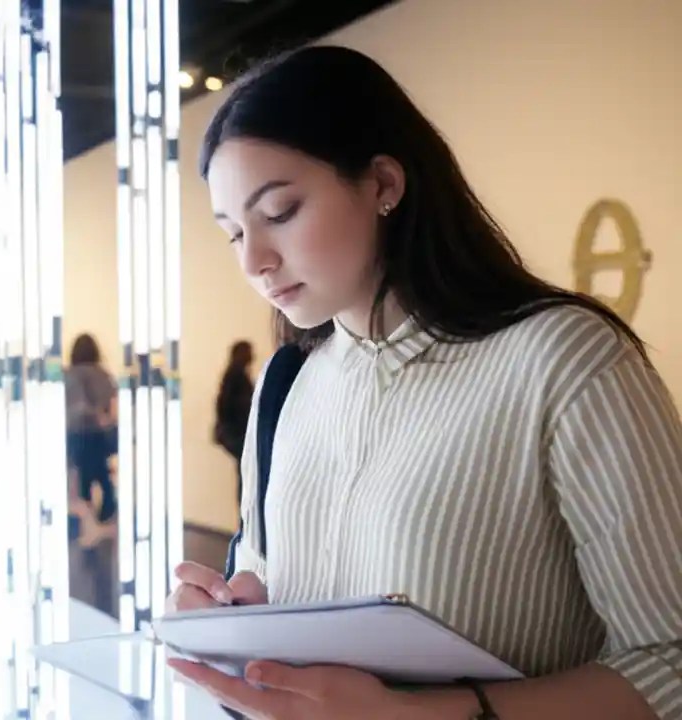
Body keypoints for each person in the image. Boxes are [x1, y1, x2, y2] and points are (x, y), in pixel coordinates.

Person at [165, 45, 681, 719]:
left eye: (281, 211)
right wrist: (230, 617)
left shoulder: (564, 360)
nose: (256, 262)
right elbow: (265, 571)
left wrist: (424, 715)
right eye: (234, 234)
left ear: (383, 183)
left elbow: (669, 659)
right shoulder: (285, 383)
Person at [65, 334, 118, 523]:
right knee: (99, 470)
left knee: (82, 476)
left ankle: (86, 519)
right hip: (99, 435)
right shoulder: (104, 375)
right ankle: (106, 507)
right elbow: (113, 406)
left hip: (74, 434)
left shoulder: (68, 375)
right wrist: (108, 422)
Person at [213, 340, 255, 503]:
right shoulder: (235, 376)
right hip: (236, 433)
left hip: (235, 433)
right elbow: (224, 404)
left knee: (244, 473)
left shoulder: (236, 375)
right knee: (245, 473)